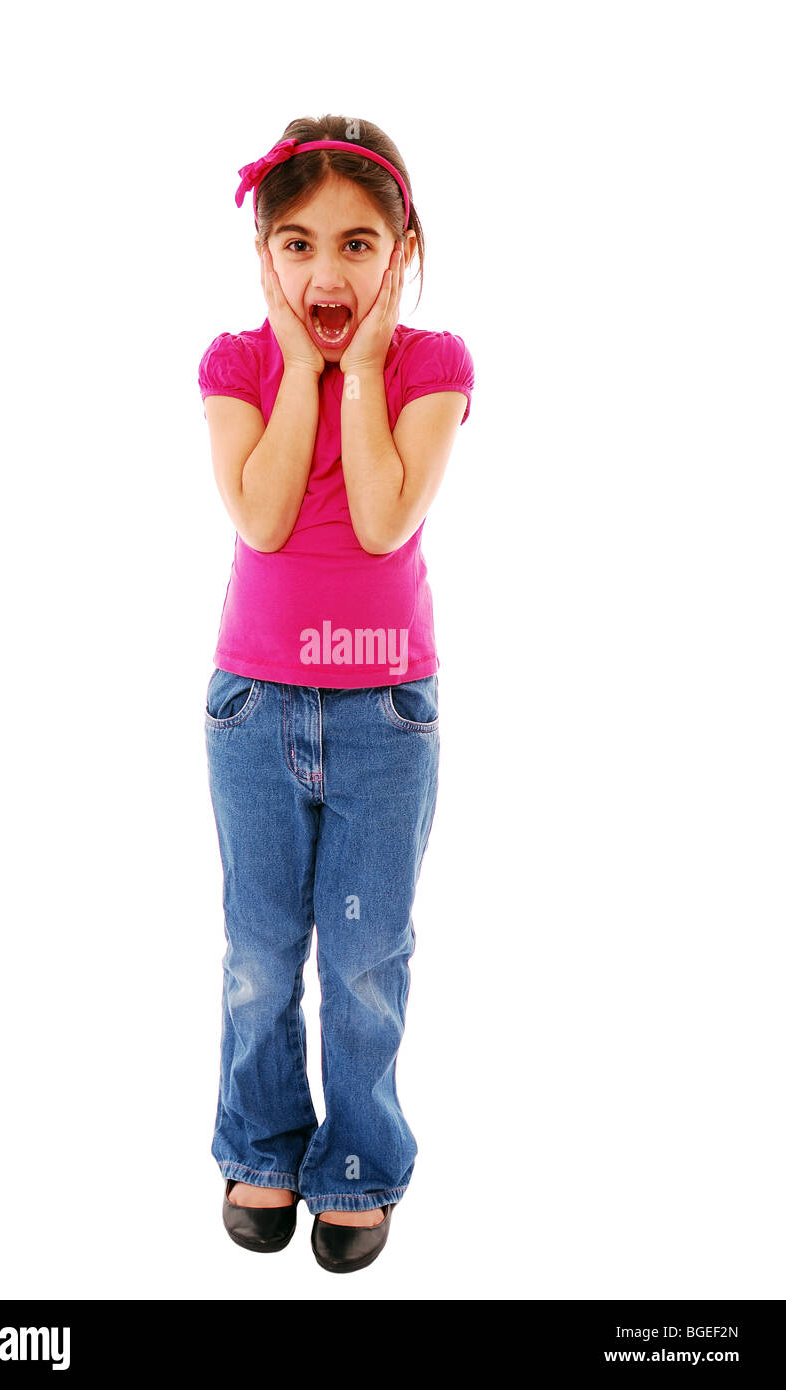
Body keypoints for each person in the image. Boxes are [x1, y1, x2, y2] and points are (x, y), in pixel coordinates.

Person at [197, 115, 475, 1273]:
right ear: (266, 255)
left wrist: (357, 365)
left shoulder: (431, 366)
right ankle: (260, 1138)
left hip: (384, 715)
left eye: (359, 246)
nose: (328, 271)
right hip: (254, 706)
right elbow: (261, 514)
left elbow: (381, 517)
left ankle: (359, 1162)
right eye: (299, 243)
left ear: (401, 251)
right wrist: (301, 362)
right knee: (262, 947)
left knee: (366, 956)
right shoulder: (236, 365)